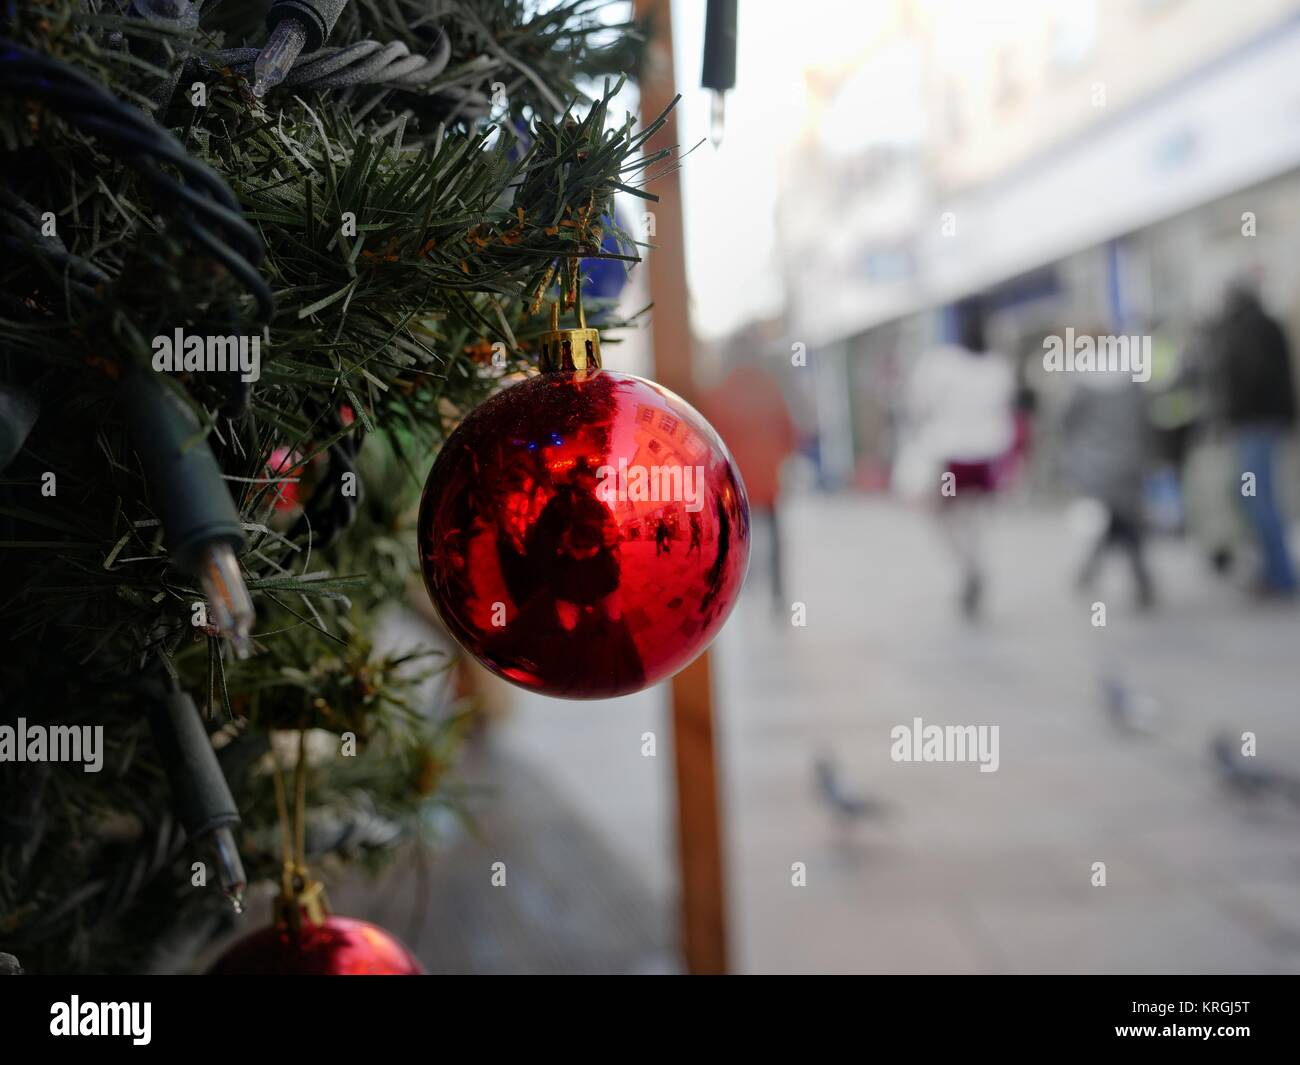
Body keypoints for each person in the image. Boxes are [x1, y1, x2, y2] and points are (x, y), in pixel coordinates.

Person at [901, 298, 1015, 619]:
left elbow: (918, 404)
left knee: (941, 517)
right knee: (973, 519)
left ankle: (968, 568)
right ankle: (973, 566)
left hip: (952, 459)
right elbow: (1004, 411)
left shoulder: (941, 363)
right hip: (986, 458)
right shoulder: (998, 368)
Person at [1208, 284, 1298, 596]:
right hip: (1264, 424)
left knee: (1257, 498)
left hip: (1256, 425)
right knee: (1256, 497)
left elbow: (1248, 377)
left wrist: (1232, 414)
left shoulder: (1248, 330)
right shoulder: (1264, 325)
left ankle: (1282, 575)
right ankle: (1275, 570)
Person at [1061, 358, 1154, 608]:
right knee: (1122, 517)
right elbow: (1144, 418)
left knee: (1110, 518)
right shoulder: (1132, 381)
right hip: (1127, 460)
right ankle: (1137, 575)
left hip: (1095, 462)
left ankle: (1095, 570)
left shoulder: (1080, 383)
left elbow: (1068, 422)